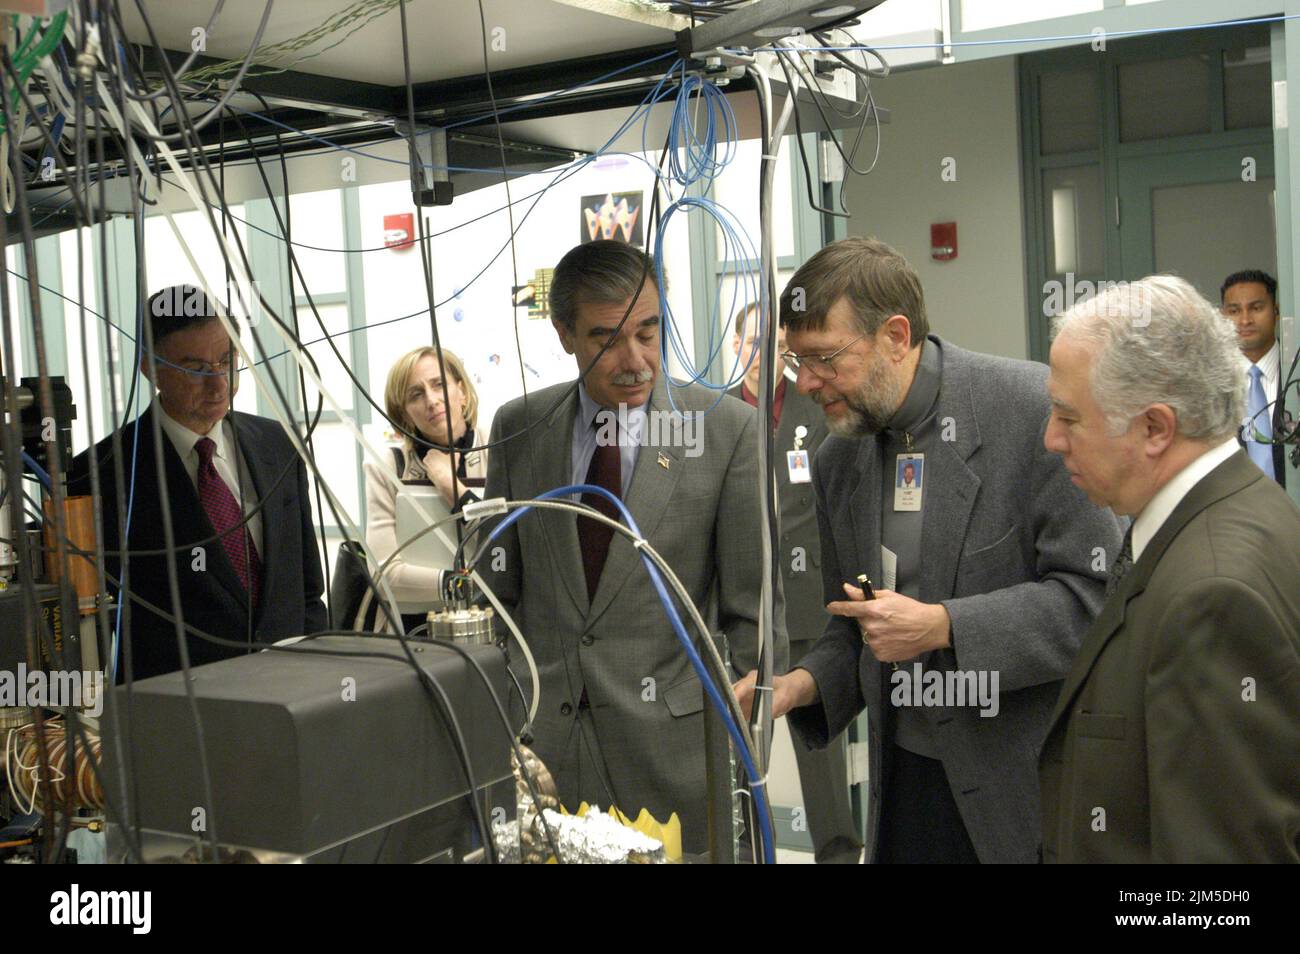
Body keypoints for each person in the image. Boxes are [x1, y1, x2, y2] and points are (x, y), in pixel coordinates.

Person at [734, 237, 1121, 864]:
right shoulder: (839, 461)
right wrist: (796, 686)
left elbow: (1095, 600)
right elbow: (852, 631)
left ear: (894, 335)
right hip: (906, 788)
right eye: (794, 362)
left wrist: (944, 627)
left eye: (825, 359)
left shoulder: (1029, 416)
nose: (806, 384)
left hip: (1025, 790)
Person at [482, 240, 787, 856]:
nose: (635, 359)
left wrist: (720, 727)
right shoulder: (520, 429)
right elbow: (500, 599)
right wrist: (509, 720)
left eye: (649, 332)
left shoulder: (725, 433)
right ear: (564, 332)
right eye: (606, 337)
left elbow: (754, 622)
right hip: (545, 766)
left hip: (674, 766)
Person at [1039, 275, 1300, 862]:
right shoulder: (1241, 506)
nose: (1051, 439)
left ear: (1155, 428)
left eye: (1068, 417)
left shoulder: (1210, 598)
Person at [67, 285, 327, 681]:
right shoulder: (101, 474)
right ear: (150, 369)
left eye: (227, 360)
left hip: (290, 695)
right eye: (196, 369)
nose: (219, 384)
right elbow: (92, 623)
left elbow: (308, 593)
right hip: (178, 715)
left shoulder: (279, 446)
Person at [728, 302, 861, 864]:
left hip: (807, 607)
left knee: (820, 750)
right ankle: (747, 854)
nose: (760, 352)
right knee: (738, 753)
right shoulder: (715, 416)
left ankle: (837, 851)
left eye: (772, 342)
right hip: (740, 610)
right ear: (735, 344)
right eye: (750, 340)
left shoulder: (815, 408)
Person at [363, 346, 485, 608]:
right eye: (416, 394)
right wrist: (465, 585)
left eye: (439, 385)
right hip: (413, 631)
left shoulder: (498, 450)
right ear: (404, 413)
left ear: (462, 392)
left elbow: (506, 545)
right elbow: (383, 574)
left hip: (492, 627)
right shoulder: (387, 467)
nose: (431, 400)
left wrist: (449, 485)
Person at [1220, 270, 1288, 488]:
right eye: (1234, 310)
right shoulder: (1210, 381)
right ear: (1223, 316)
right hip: (1238, 514)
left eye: (1256, 308)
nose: (1245, 320)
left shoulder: (1294, 369)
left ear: (1276, 312)